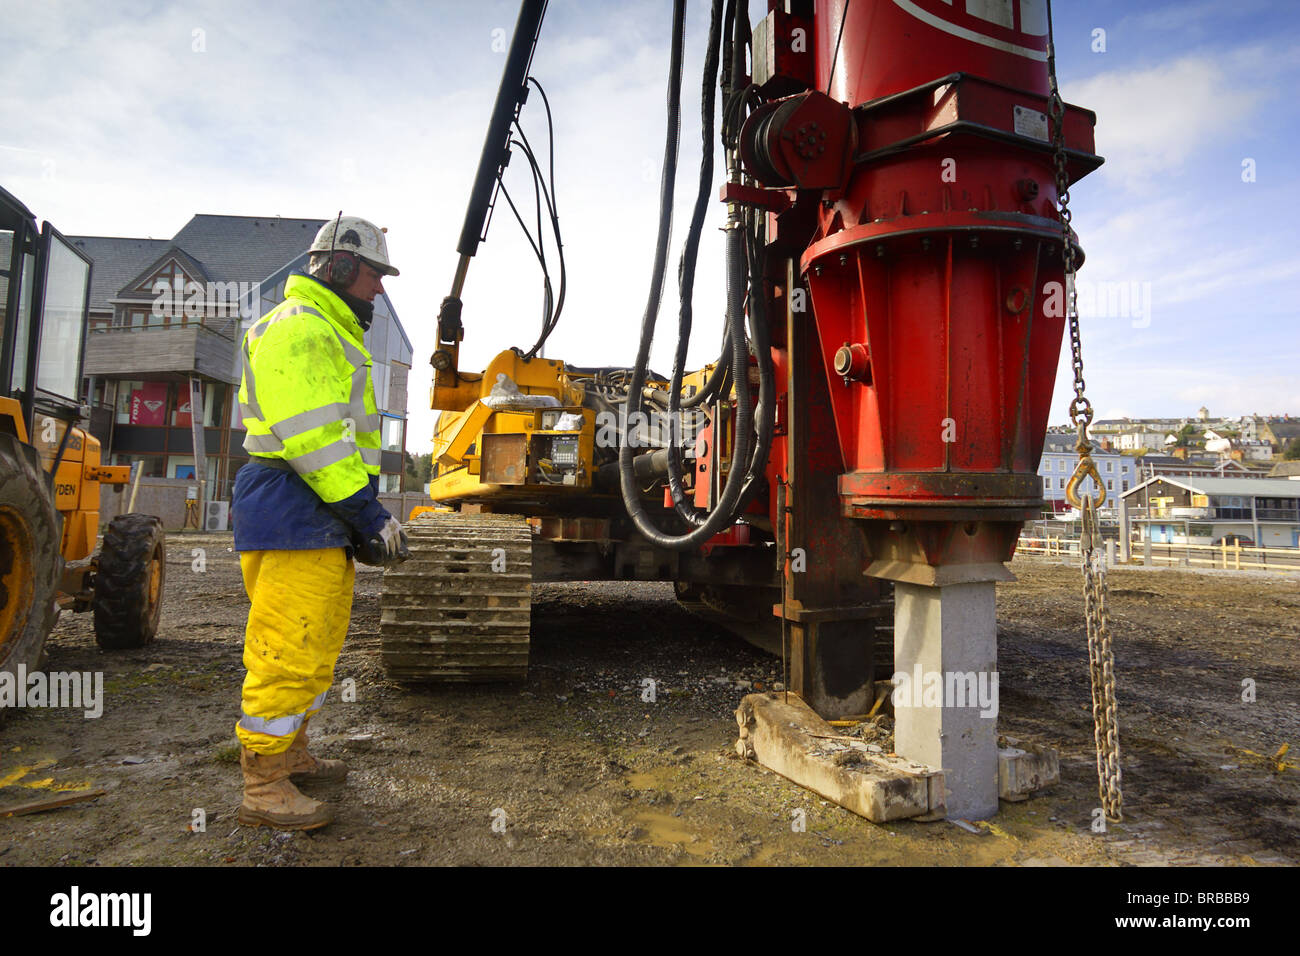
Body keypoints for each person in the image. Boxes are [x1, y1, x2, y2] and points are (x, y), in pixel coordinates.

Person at [231, 214, 408, 830]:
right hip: (294, 502)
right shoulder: (301, 328)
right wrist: (367, 514)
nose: (378, 288)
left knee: (317, 640)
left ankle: (291, 751)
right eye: (373, 274)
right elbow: (315, 442)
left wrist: (358, 517)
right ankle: (263, 783)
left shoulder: (326, 330)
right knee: (287, 646)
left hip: (313, 507)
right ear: (339, 267)